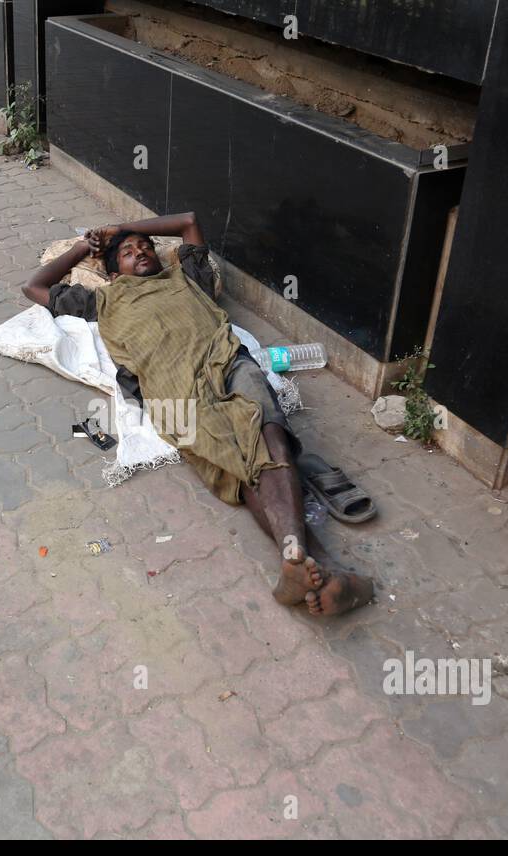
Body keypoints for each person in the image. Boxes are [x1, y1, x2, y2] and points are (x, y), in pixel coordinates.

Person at [21, 212, 372, 616]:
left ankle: (303, 561)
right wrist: (87, 246)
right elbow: (34, 286)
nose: (142, 254)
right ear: (114, 273)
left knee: (265, 428)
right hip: (172, 389)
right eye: (129, 253)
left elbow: (188, 221)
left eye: (146, 248)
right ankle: (317, 565)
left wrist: (120, 229)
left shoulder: (188, 277)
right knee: (232, 462)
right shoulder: (100, 300)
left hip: (226, 361)